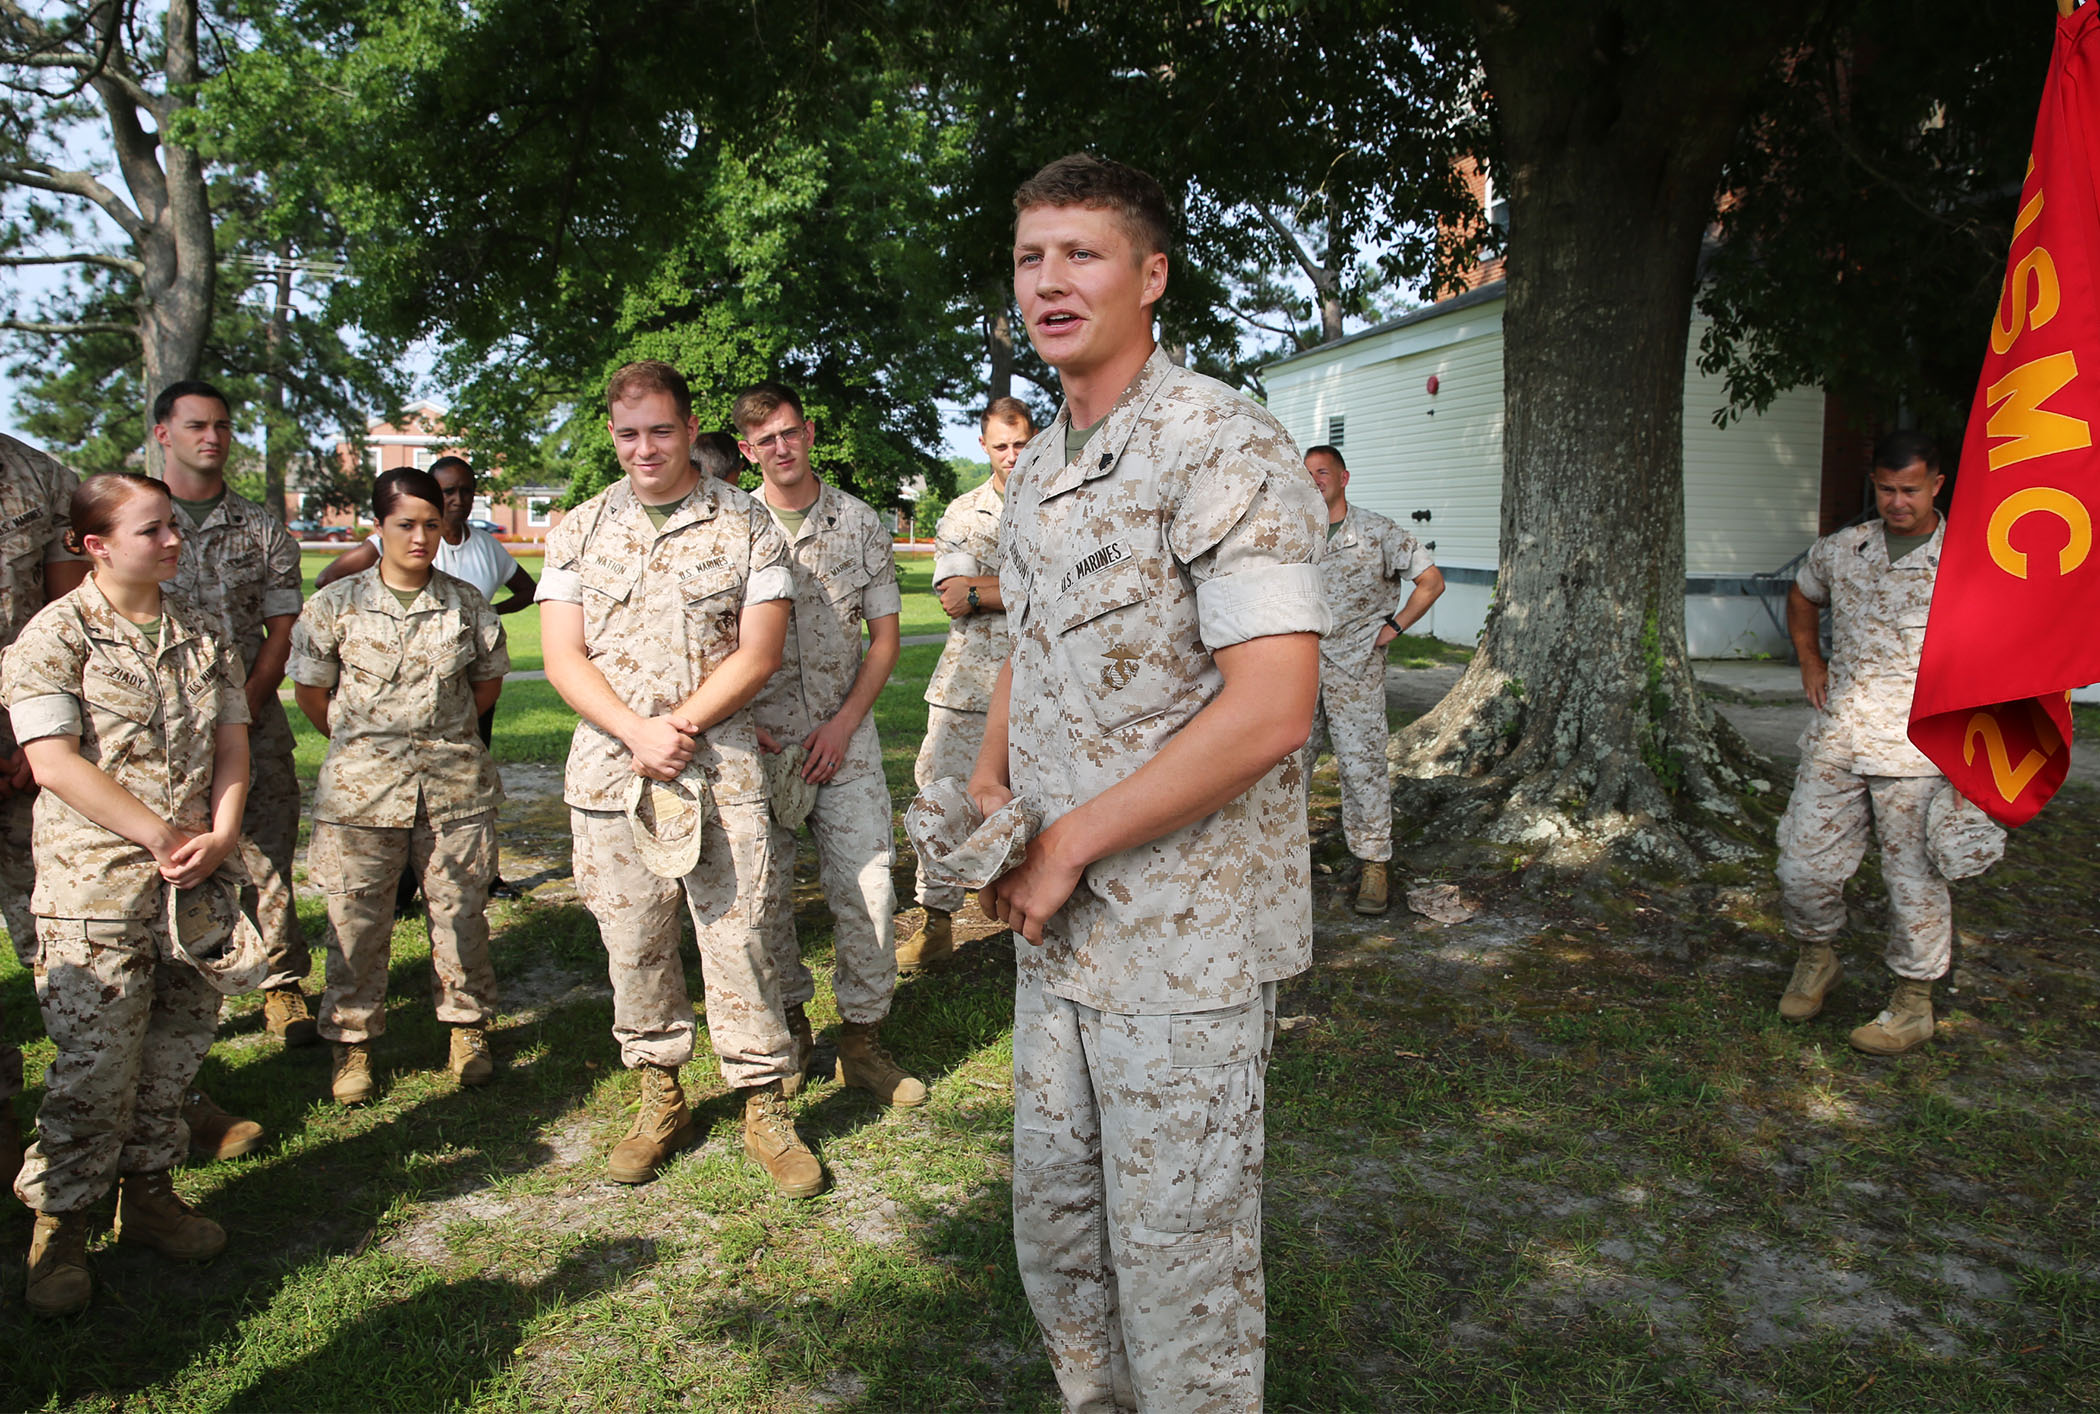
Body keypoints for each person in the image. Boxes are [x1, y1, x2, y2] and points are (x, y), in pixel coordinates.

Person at [970, 154, 1328, 1411]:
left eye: (1083, 253)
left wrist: (1071, 841)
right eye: (1031, 257)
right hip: (1058, 930)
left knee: (1182, 1271)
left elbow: (1276, 706)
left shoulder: (1222, 444)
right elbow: (1033, 639)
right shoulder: (1043, 468)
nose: (1051, 281)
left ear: (1152, 275)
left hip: (1185, 945)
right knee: (1058, 1237)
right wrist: (986, 775)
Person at [541, 360, 820, 1195]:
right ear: (612, 435)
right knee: (633, 942)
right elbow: (562, 654)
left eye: (660, 430)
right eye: (628, 434)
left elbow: (760, 652)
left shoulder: (747, 526)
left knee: (740, 937)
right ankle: (660, 1093)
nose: (645, 448)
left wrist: (681, 726)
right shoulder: (579, 530)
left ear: (690, 426)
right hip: (612, 769)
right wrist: (635, 730)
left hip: (717, 766)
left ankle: (765, 1103)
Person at [4, 473, 255, 1316]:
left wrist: (218, 835)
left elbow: (232, 744)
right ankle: (61, 1225)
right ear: (95, 545)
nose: (174, 542)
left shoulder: (202, 627)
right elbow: (52, 762)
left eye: (174, 527)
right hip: (97, 887)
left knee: (175, 1052)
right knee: (96, 1065)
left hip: (192, 886)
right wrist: (159, 835)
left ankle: (147, 1196)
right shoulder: (54, 636)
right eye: (153, 531)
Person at [291, 468, 510, 1105]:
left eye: (431, 526)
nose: (420, 538)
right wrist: (363, 745)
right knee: (355, 921)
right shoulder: (336, 604)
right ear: (378, 526)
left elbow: (485, 684)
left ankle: (467, 1030)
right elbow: (311, 691)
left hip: (453, 790)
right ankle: (351, 1046)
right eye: (405, 525)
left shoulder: (467, 603)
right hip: (362, 794)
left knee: (461, 913)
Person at [734, 380, 925, 1108]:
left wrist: (845, 723)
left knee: (869, 888)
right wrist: (738, 721)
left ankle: (862, 1043)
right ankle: (790, 1034)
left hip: (844, 738)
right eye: (763, 440)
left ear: (808, 432)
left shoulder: (860, 522)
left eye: (789, 432)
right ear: (747, 450)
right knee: (763, 899)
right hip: (760, 740)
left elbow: (885, 640)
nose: (780, 449)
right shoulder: (731, 524)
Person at [1776, 430, 1954, 1057]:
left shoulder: (1972, 557)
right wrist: (1809, 658)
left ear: (1937, 483)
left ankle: (1912, 1004)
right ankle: (1817, 958)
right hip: (1841, 735)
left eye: (1909, 489)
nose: (1897, 501)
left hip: (1920, 748)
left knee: (1914, 881)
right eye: (1886, 488)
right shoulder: (1843, 548)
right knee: (1801, 865)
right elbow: (1803, 593)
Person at [152, 381, 286, 1158]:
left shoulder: (258, 525)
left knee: (258, 853)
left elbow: (278, 625)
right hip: (152, 746)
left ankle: (276, 981)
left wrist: (242, 709)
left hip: (244, 720)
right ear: (164, 432)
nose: (214, 437)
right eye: (197, 425)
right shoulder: (133, 516)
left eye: (224, 426)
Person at [317, 455, 537, 899]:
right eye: (448, 491)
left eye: (465, 491)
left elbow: (527, 590)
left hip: (461, 687)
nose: (458, 500)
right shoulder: (390, 542)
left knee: (462, 800)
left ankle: (478, 875)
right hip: (386, 705)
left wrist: (487, 615)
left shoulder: (484, 547)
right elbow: (326, 582)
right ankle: (401, 888)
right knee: (395, 806)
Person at [898, 397, 1034, 969]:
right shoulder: (963, 512)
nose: (1010, 455)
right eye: (1000, 445)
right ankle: (936, 922)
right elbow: (954, 596)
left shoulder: (1060, 501)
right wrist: (1025, 586)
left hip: (1044, 678)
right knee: (942, 791)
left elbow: (1076, 588)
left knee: (1041, 795)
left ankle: (1038, 914)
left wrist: (989, 589)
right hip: (970, 683)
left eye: (1020, 443)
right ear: (983, 446)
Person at [1301, 443, 1444, 914]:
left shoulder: (1378, 532)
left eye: (1324, 471)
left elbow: (1431, 581)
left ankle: (1374, 865)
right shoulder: (1295, 534)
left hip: (1355, 670)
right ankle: (1286, 862)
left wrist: (1396, 626)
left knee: (1361, 769)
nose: (1315, 479)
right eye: (1308, 473)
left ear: (1344, 478)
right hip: (1300, 670)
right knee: (1289, 767)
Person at [0, 435, 86, 1193]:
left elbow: (65, 604)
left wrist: (41, 736)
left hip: (34, 744)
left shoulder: (38, 474)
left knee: (62, 933)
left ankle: (123, 1103)